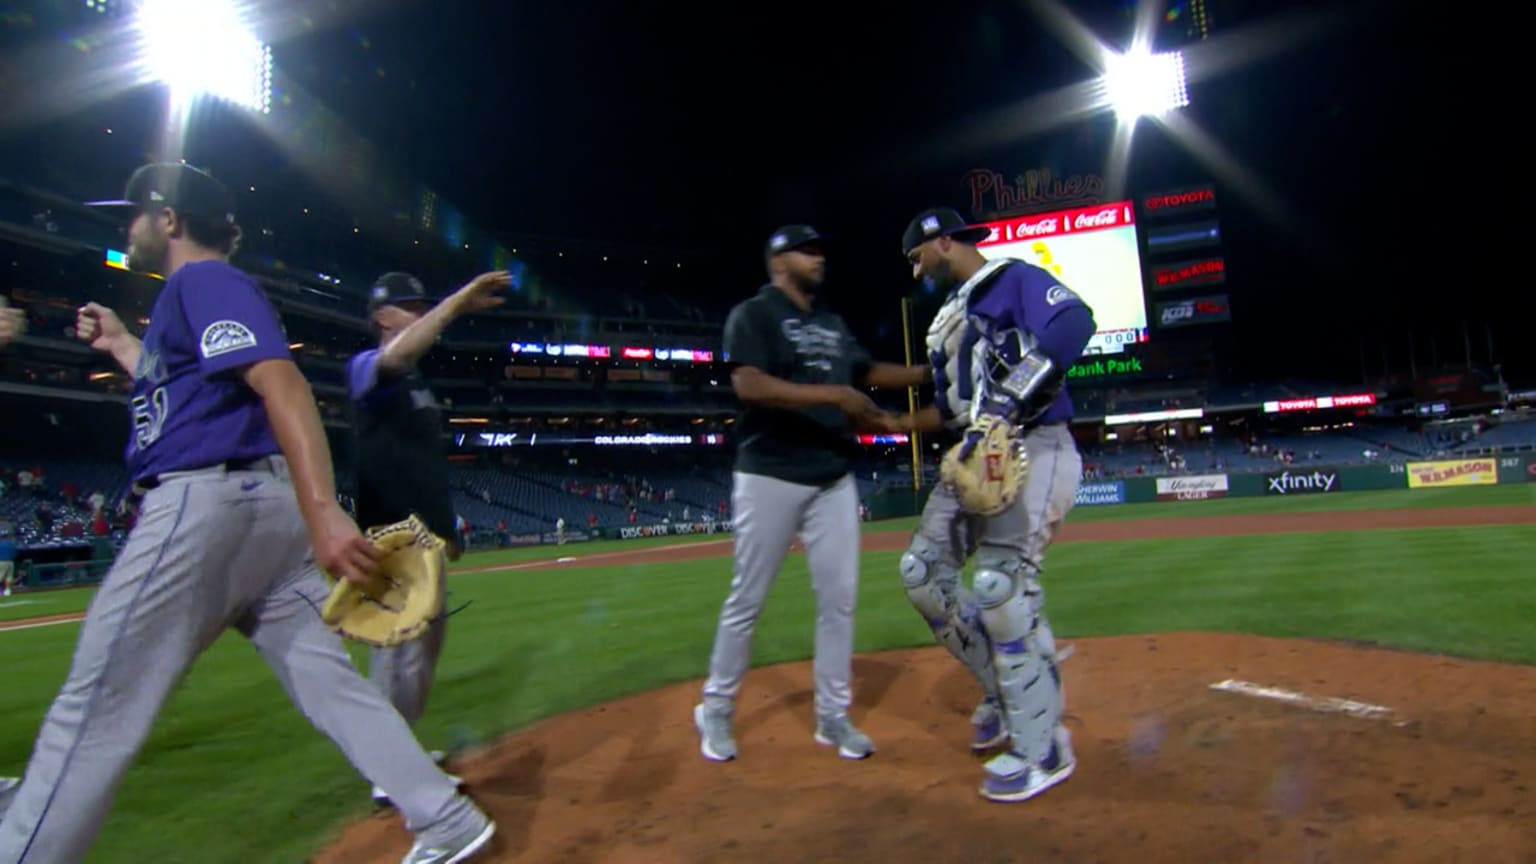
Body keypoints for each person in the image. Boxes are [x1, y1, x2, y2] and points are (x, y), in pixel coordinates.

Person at [0, 162, 495, 864]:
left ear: (169, 219)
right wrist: (119, 344)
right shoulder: (189, 297)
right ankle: (444, 818)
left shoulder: (199, 281)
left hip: (207, 510)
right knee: (332, 687)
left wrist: (324, 508)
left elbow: (281, 383)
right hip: (257, 519)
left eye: (135, 213)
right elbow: (193, 398)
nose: (127, 225)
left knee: (95, 710)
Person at [693, 224, 926, 762]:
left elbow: (868, 371)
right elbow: (748, 384)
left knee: (839, 603)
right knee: (746, 600)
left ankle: (832, 717)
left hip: (832, 477)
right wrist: (835, 394)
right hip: (769, 471)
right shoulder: (754, 314)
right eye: (807, 250)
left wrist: (929, 371)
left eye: (822, 249)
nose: (819, 257)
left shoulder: (831, 322)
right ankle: (717, 710)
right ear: (778, 261)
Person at [892, 206, 1095, 803]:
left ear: (943, 241)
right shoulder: (944, 323)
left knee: (1001, 588)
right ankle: (1006, 697)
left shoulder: (1013, 280)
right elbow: (954, 411)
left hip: (1034, 442)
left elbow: (1074, 322)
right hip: (972, 454)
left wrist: (1012, 392)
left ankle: (1044, 747)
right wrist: (889, 420)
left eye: (916, 258)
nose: (915, 271)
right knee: (922, 575)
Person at [347, 267, 511, 808]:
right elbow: (394, 358)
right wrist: (457, 303)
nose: (419, 313)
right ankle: (387, 770)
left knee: (421, 657)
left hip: (426, 531)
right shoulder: (368, 367)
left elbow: (424, 464)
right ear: (380, 317)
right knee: (397, 655)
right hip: (391, 530)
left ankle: (401, 751)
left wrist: (447, 527)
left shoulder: (417, 384)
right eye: (408, 307)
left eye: (423, 305)